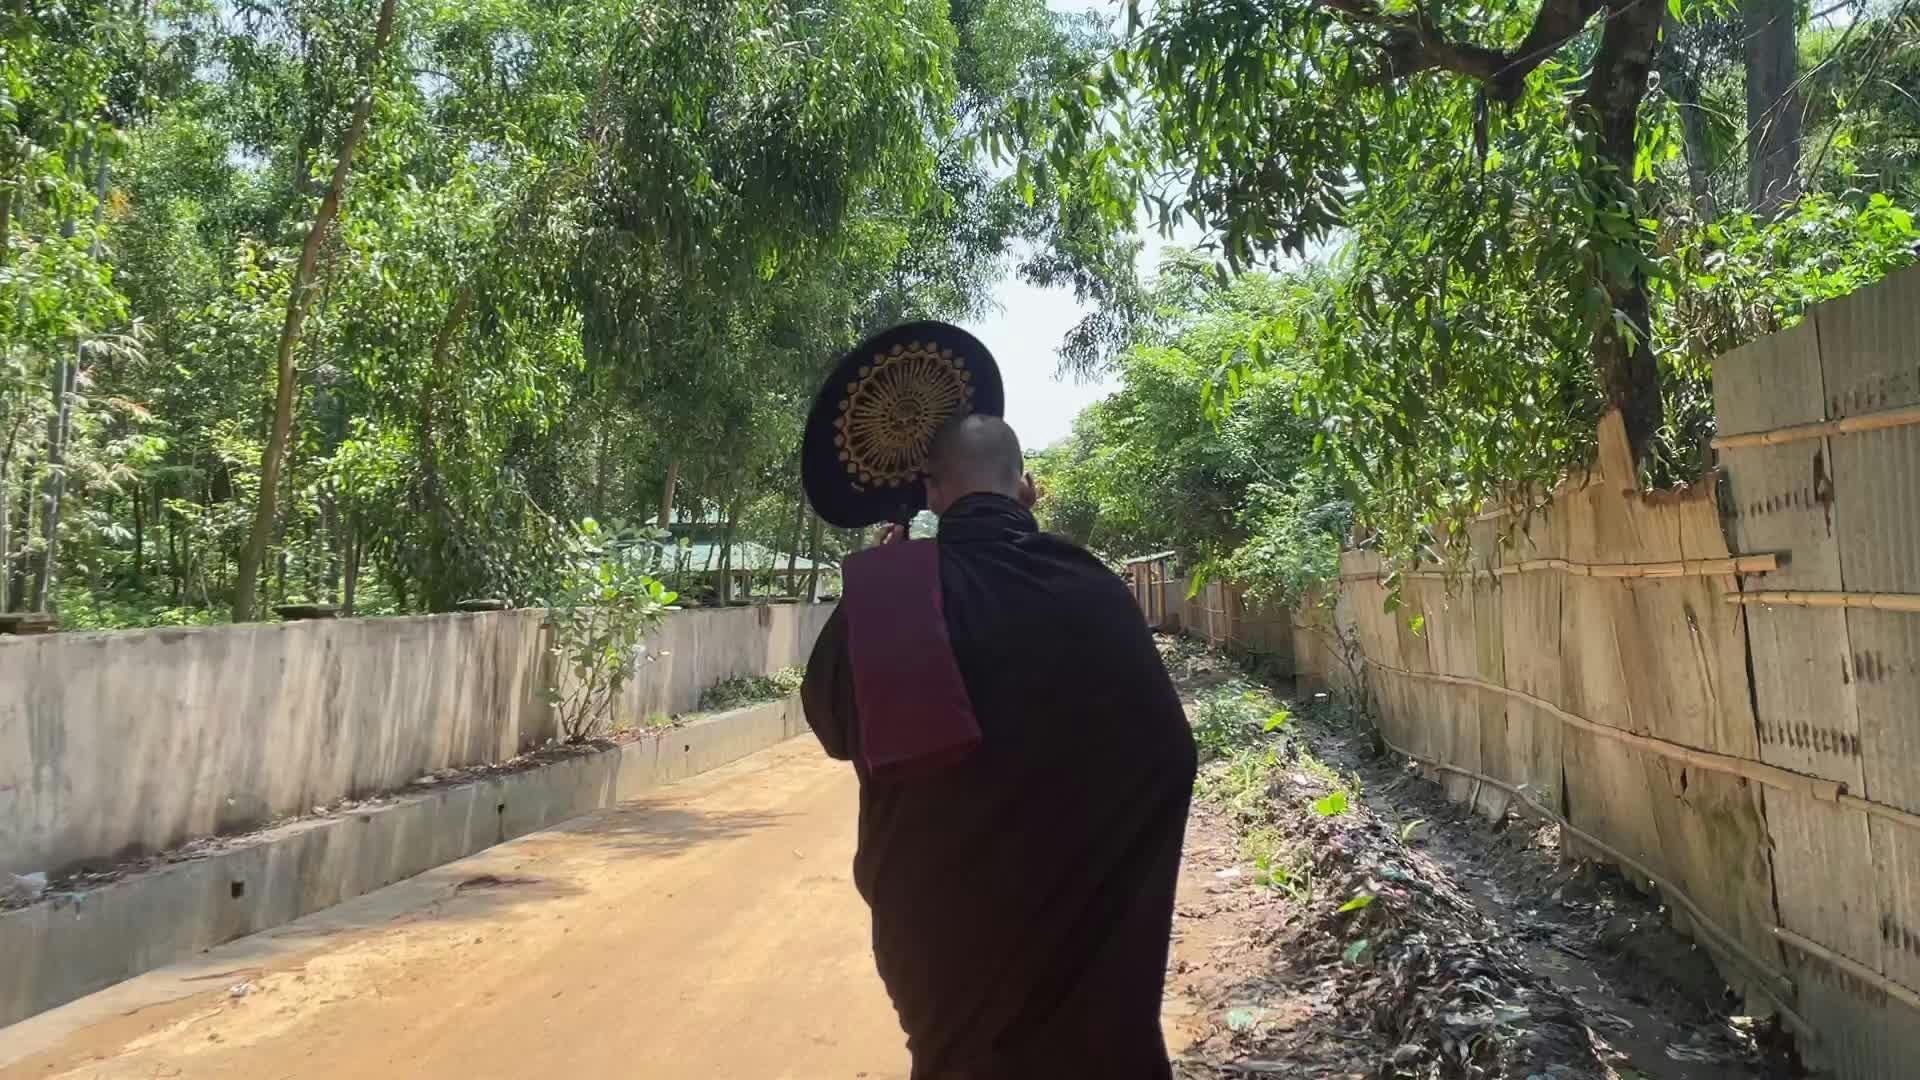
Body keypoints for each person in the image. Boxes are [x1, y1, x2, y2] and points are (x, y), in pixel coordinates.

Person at [801, 414, 1197, 1079]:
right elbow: (1170, 756)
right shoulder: (1092, 587)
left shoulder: (896, 595)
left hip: (951, 985)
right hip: (1096, 982)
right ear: (1029, 491)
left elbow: (834, 727)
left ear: (931, 495)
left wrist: (886, 581)